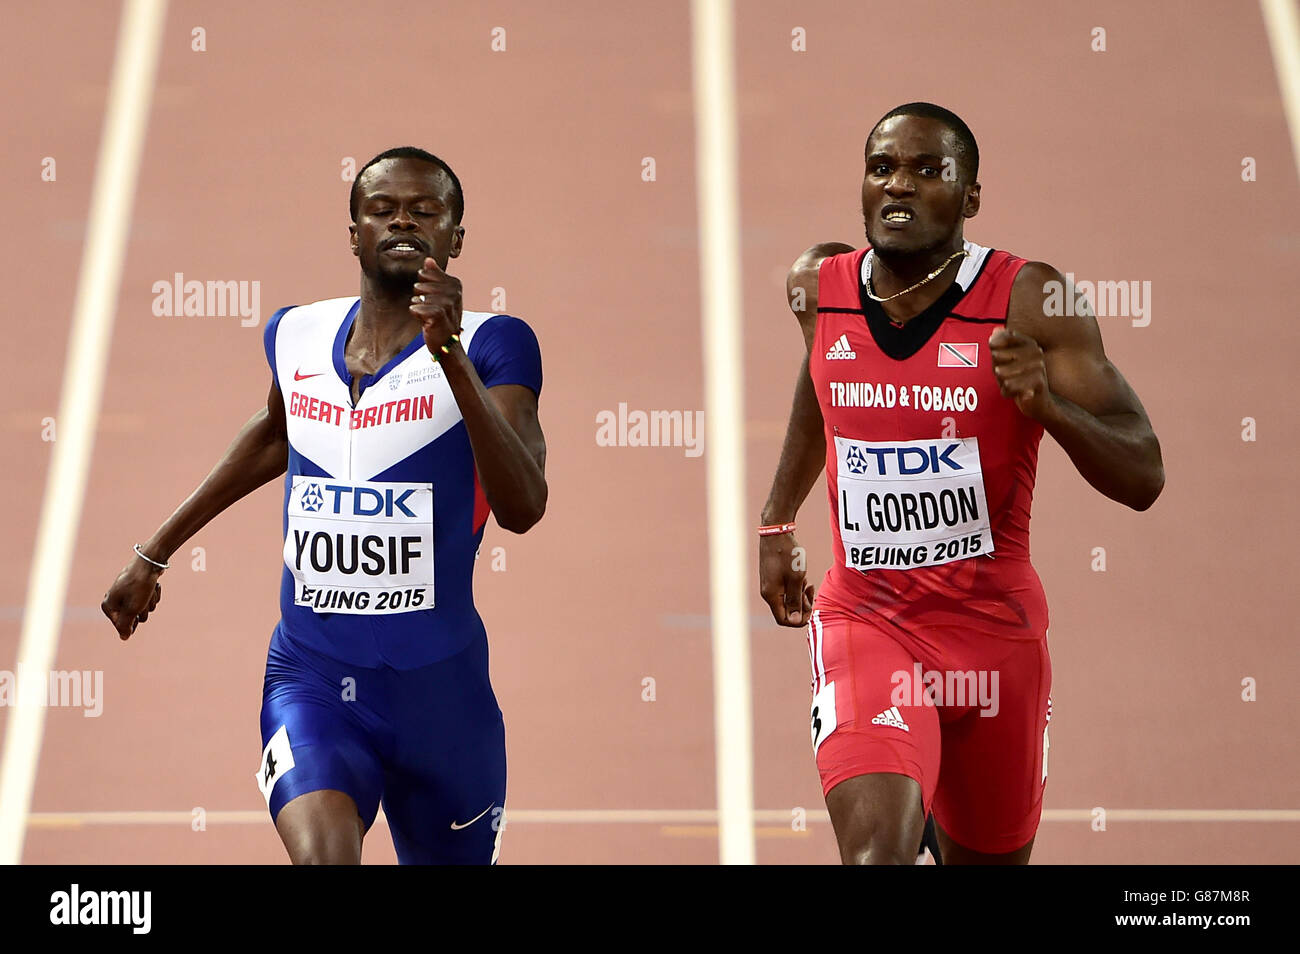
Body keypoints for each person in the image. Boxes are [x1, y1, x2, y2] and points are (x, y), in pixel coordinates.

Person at [101, 146, 547, 865]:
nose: (402, 220)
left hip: (444, 701)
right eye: (382, 209)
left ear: (456, 239)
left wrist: (452, 359)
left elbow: (524, 505)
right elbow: (275, 434)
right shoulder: (296, 333)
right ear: (353, 234)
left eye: (425, 210)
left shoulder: (498, 344)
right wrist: (154, 551)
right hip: (311, 678)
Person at [758, 103, 1164, 865]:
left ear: (971, 196)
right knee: (878, 853)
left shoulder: (1030, 300)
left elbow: (1144, 473)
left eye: (927, 169)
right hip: (867, 618)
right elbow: (822, 387)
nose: (899, 186)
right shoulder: (820, 285)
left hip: (994, 633)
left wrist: (1049, 407)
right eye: (883, 168)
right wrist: (777, 522)